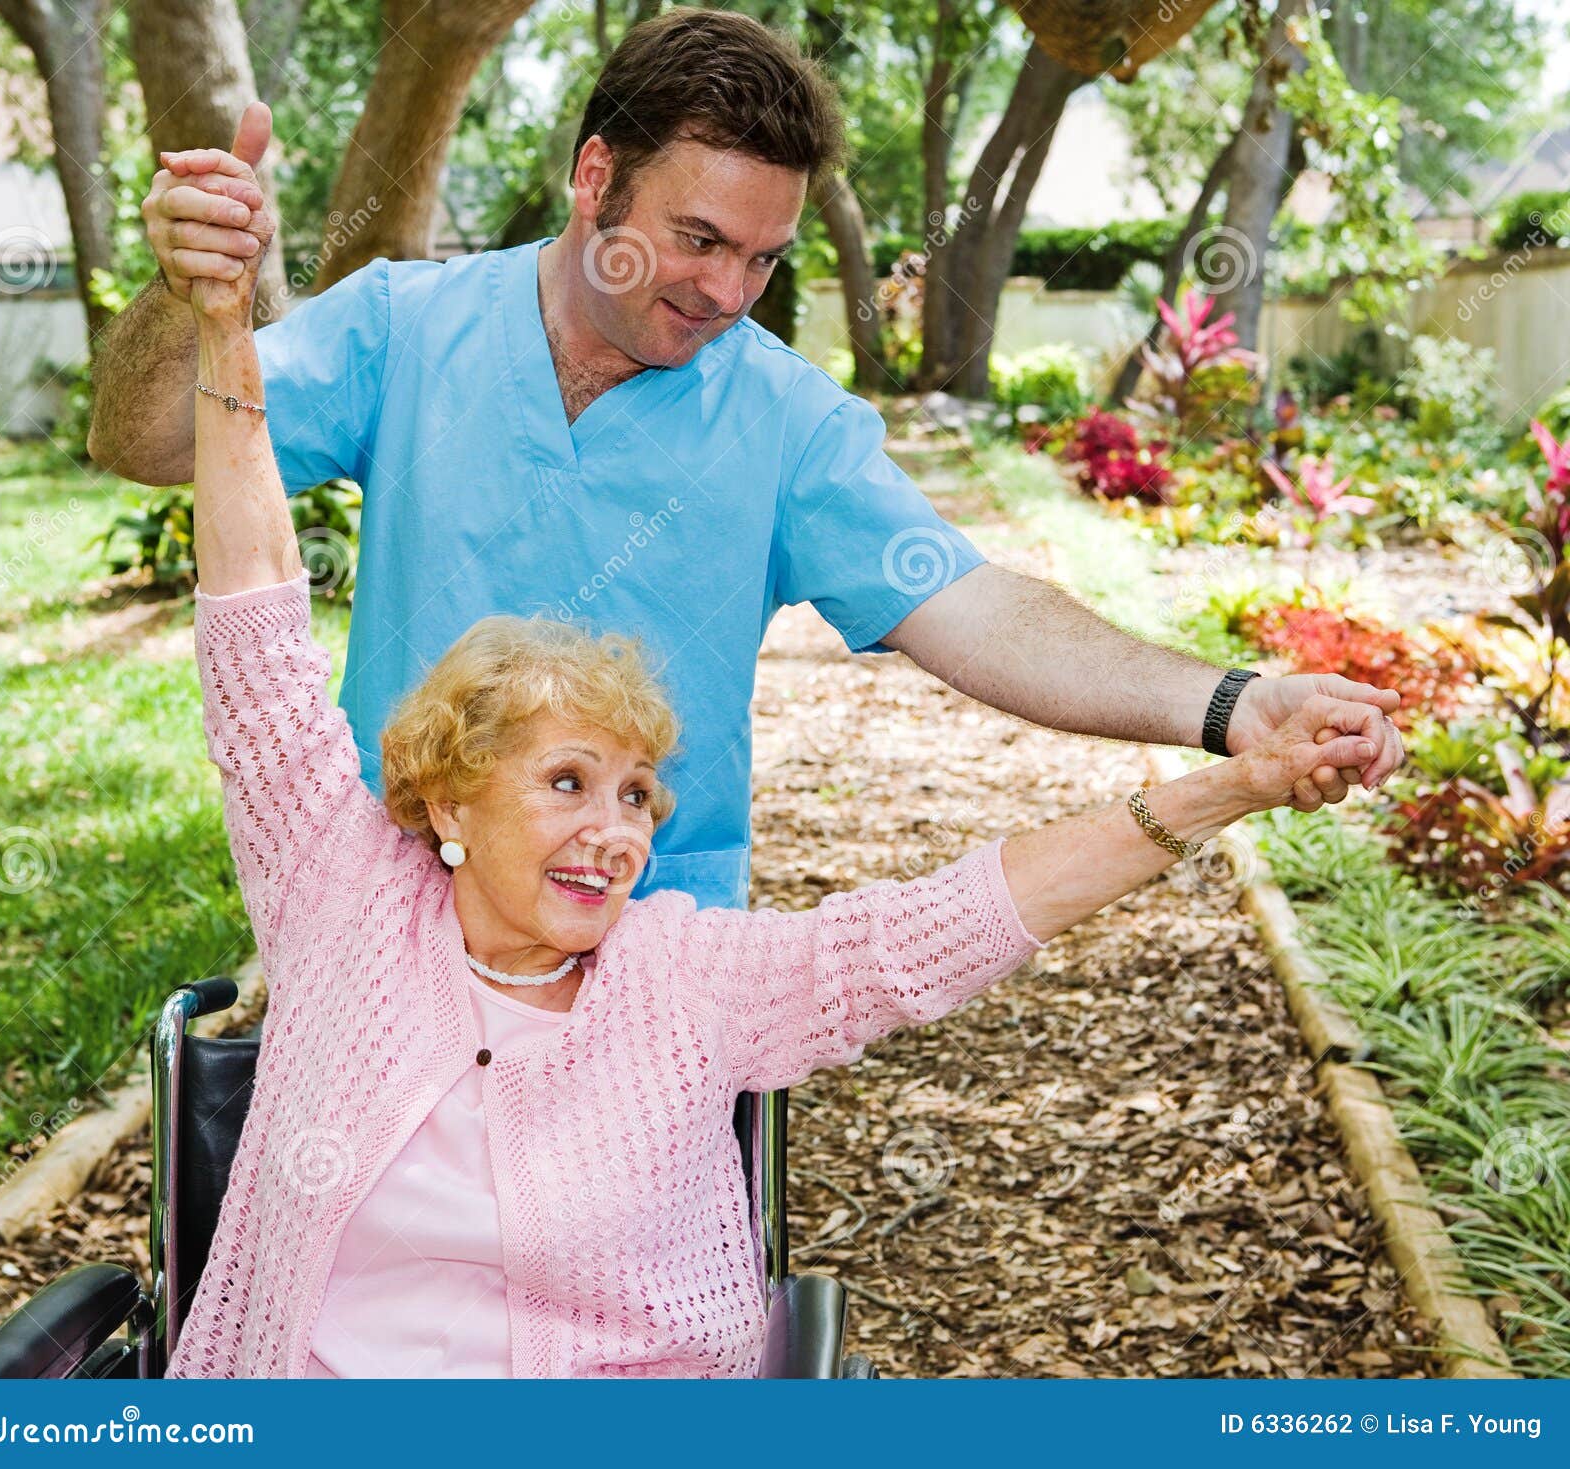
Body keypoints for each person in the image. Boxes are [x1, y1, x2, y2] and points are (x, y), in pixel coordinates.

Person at [168, 154, 1387, 1377]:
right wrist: (221, 324)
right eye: (566, 782)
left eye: (640, 793)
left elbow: (952, 917)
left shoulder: (680, 979)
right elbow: (254, 612)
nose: (617, 831)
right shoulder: (341, 905)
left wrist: (1232, 749)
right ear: (445, 799)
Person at [87, 9, 1404, 920]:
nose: (730, 290)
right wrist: (186, 292)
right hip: (393, 924)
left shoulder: (784, 419)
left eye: (765, 257)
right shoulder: (402, 327)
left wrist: (1232, 704)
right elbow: (144, 443)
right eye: (699, 239)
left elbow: (978, 608)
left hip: (650, 947)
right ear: (594, 177)